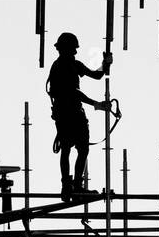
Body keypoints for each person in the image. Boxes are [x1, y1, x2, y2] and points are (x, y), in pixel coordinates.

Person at [47, 31, 112, 199]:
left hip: (71, 114)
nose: (75, 52)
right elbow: (74, 93)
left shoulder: (74, 65)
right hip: (68, 115)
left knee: (81, 149)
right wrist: (97, 104)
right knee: (69, 149)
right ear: (64, 49)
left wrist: (105, 64)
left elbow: (97, 75)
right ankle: (70, 186)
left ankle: (73, 186)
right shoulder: (60, 67)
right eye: (73, 49)